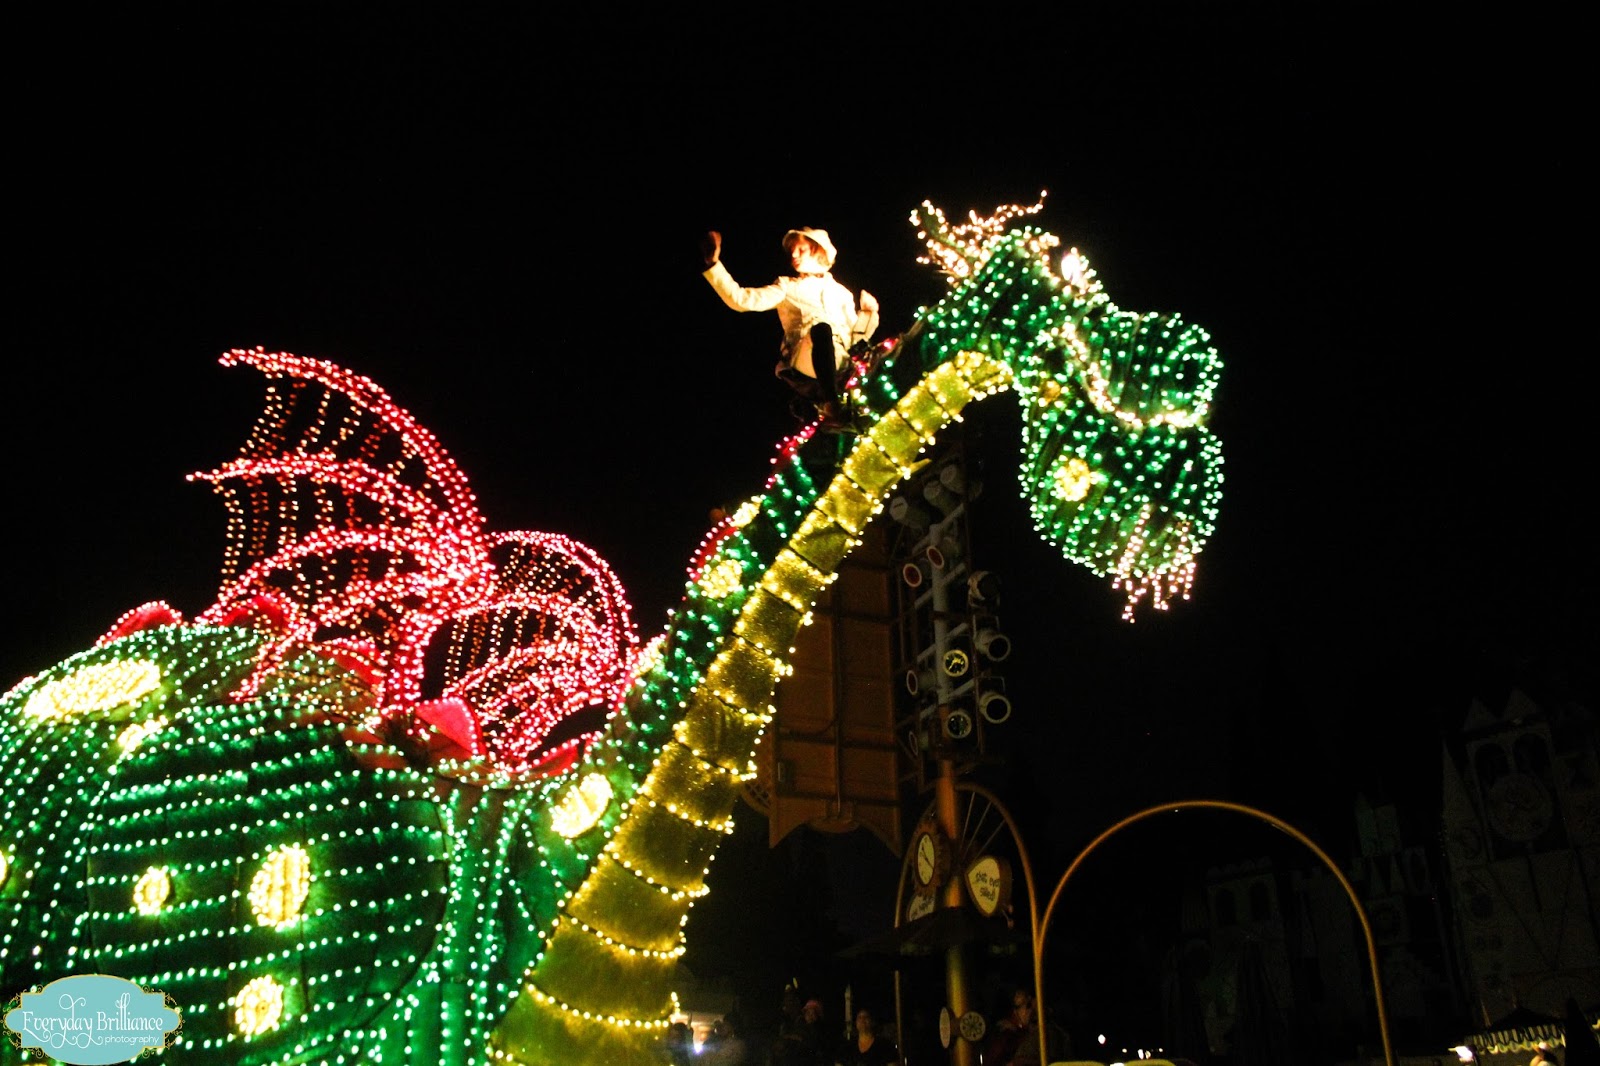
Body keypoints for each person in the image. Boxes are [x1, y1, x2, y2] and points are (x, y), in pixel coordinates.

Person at [700, 227, 880, 427]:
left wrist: (869, 314)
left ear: (818, 250)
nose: (793, 255)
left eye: (800, 249)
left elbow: (857, 337)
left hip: (840, 362)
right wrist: (714, 265)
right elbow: (742, 300)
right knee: (821, 330)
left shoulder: (842, 293)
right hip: (804, 361)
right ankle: (831, 403)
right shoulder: (787, 287)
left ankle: (834, 401)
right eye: (792, 250)